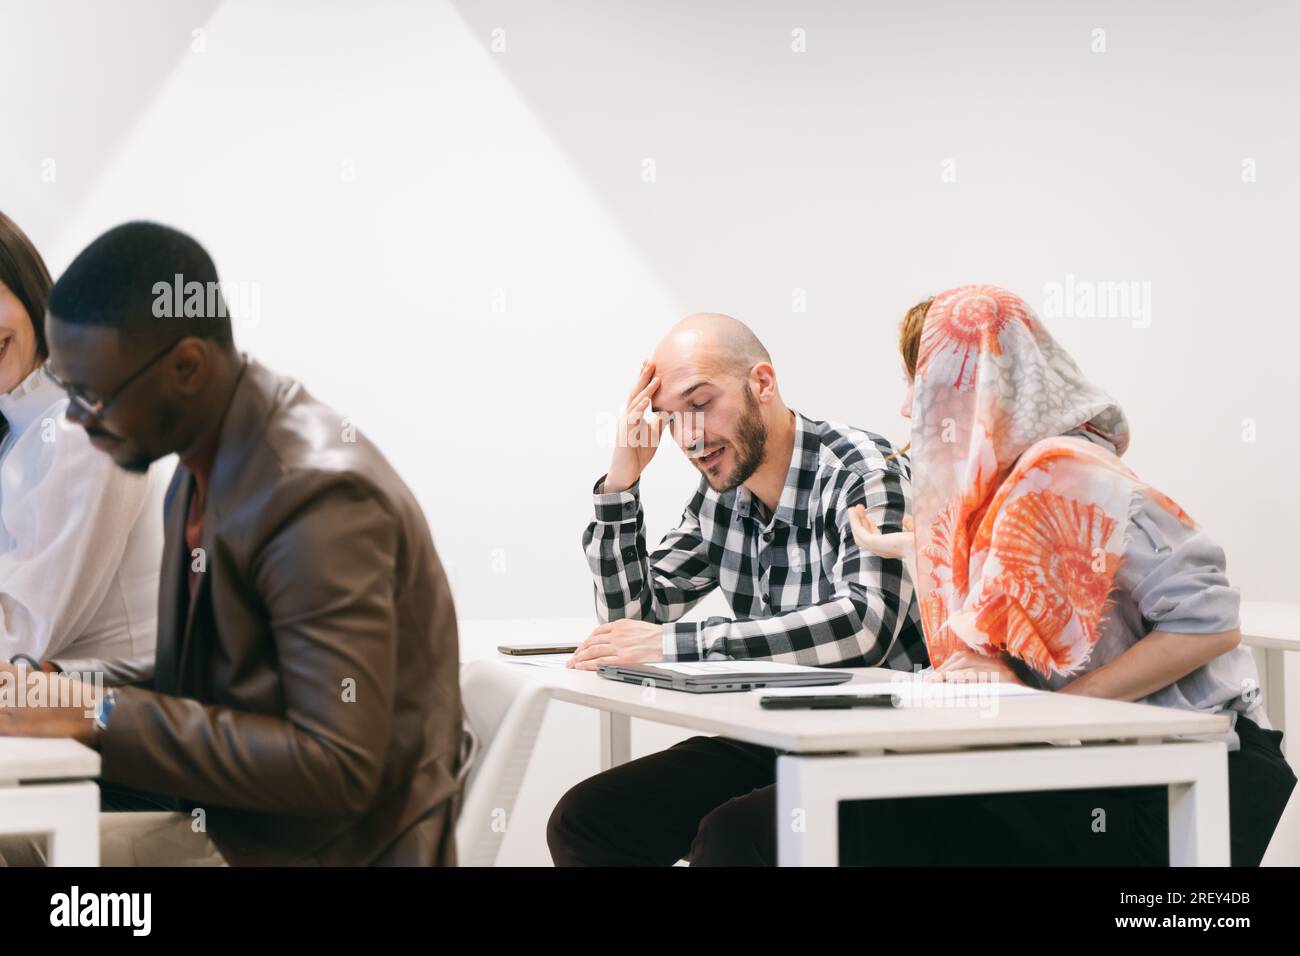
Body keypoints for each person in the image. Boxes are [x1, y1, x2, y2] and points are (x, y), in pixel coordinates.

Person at [0, 221, 464, 866]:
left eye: (91, 395)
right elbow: (214, 676)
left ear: (187, 366)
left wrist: (99, 711)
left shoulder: (316, 497)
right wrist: (66, 685)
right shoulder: (206, 460)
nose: (75, 419)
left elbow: (336, 764)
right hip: (245, 828)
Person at [841, 284, 1295, 866]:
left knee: (902, 827)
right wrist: (900, 543)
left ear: (972, 381)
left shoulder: (1069, 475)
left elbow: (1211, 625)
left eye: (920, 379)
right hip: (1135, 772)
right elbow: (1013, 570)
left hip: (1204, 788)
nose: (909, 407)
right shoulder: (1014, 490)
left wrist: (1060, 708)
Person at [548, 312, 927, 866]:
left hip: (883, 744)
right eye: (669, 418)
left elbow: (865, 625)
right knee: (587, 820)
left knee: (732, 837)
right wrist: (621, 482)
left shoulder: (861, 472)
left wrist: (675, 643)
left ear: (763, 384)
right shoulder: (721, 495)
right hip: (779, 733)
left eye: (699, 404)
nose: (688, 437)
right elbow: (632, 618)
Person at [0, 210, 164, 678]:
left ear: (23, 279)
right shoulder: (18, 430)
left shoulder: (85, 428)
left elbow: (21, 639)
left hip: (116, 729)